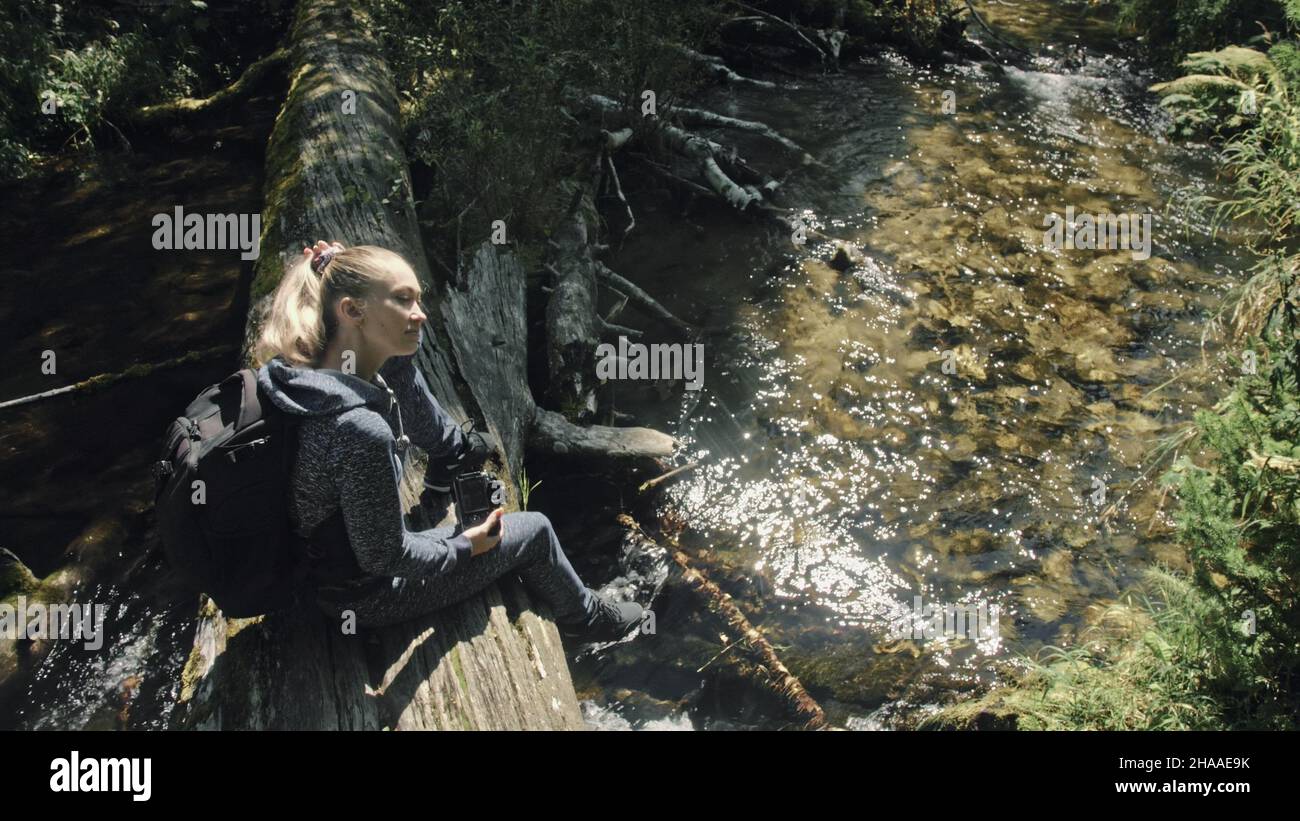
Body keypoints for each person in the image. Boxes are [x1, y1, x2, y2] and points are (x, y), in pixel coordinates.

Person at [250, 240, 644, 642]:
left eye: (418, 298)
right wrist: (467, 545)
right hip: (363, 596)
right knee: (536, 531)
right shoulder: (359, 431)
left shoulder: (300, 369)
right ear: (351, 310)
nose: (420, 314)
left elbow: (394, 362)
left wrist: (337, 270)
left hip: (315, 558)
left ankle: (452, 452)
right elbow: (387, 557)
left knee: (400, 365)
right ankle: (586, 619)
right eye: (403, 300)